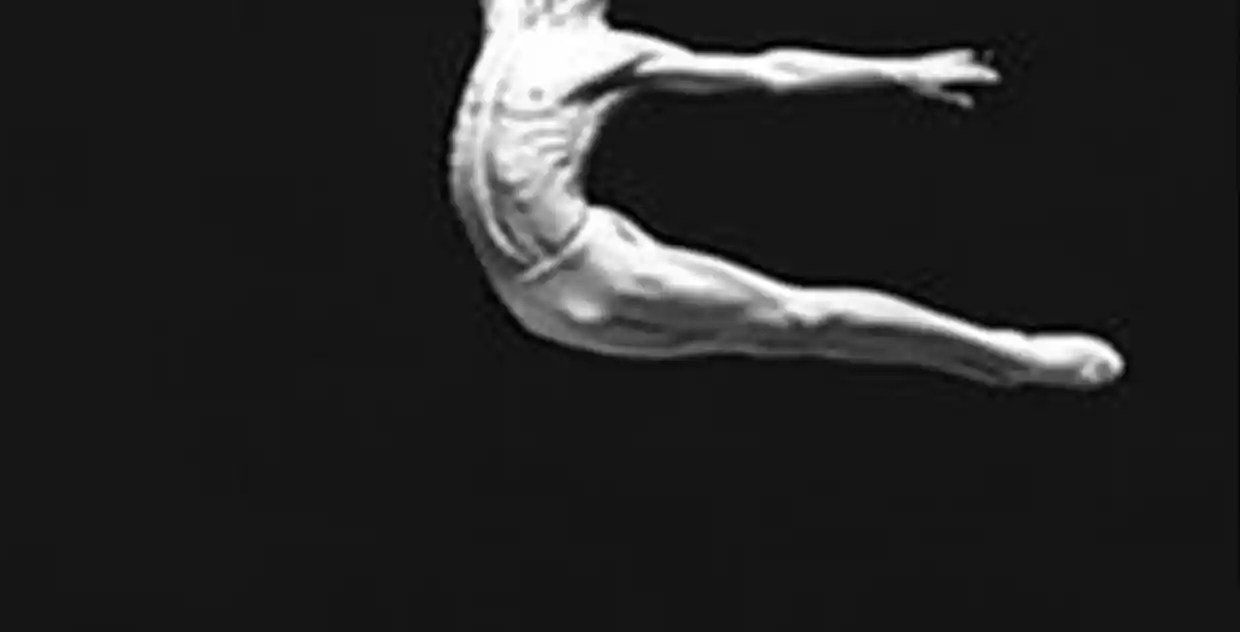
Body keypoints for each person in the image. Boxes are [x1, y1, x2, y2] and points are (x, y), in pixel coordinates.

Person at [447, 0, 1126, 389]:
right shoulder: (508, 21)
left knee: (798, 323)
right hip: (521, 295)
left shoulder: (616, 53)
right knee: (775, 333)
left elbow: (773, 71)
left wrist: (892, 71)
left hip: (588, 274)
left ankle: (1009, 356)